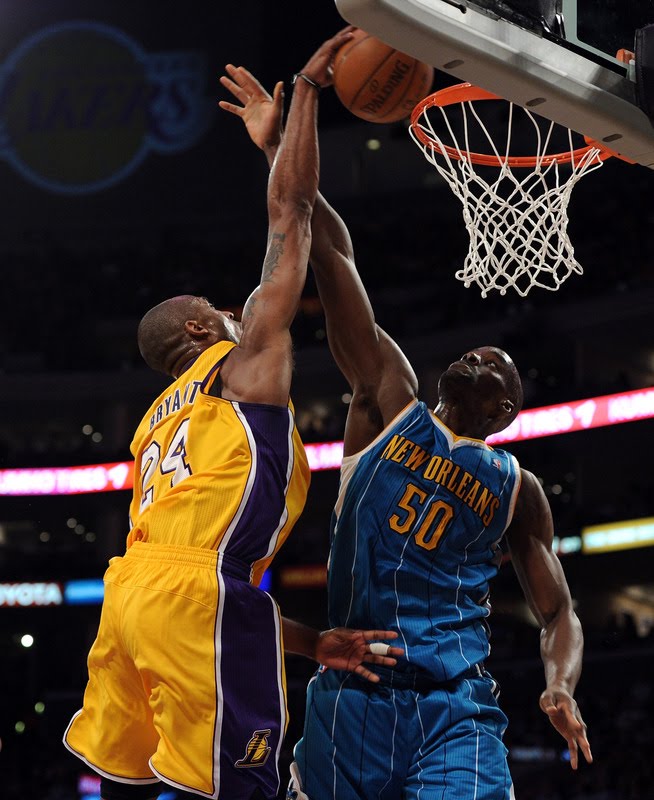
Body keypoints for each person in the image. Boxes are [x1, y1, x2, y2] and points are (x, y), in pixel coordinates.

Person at [219, 35, 593, 800]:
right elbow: (333, 257)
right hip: (352, 697)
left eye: (497, 362)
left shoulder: (515, 488)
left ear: (508, 407)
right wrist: (283, 141)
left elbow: (557, 612)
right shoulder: (390, 400)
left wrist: (561, 684)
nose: (479, 355)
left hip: (456, 708)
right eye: (476, 350)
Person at [63, 31, 402, 800]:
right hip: (191, 597)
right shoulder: (238, 358)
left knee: (182, 785)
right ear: (196, 330)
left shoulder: (156, 419)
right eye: (214, 308)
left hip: (134, 598)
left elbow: (219, 598)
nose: (232, 307)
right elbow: (294, 221)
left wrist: (315, 645)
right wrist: (304, 101)